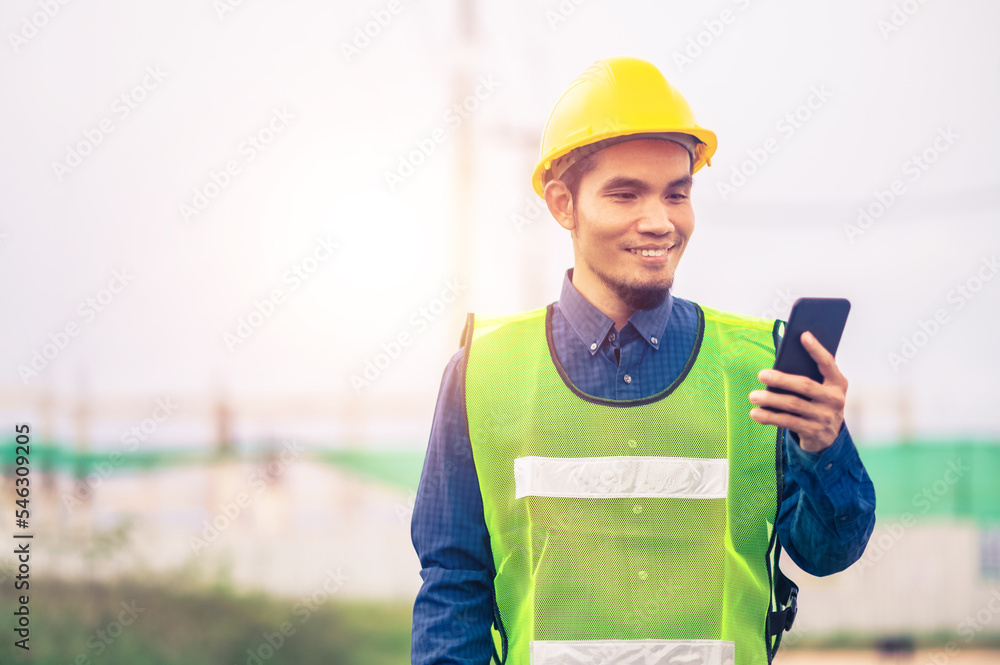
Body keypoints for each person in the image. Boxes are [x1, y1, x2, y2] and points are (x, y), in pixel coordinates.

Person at [410, 56, 876, 665]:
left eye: (676, 193)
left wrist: (824, 447)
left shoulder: (758, 367)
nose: (659, 221)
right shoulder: (481, 374)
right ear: (562, 205)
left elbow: (828, 551)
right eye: (625, 193)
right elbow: (453, 588)